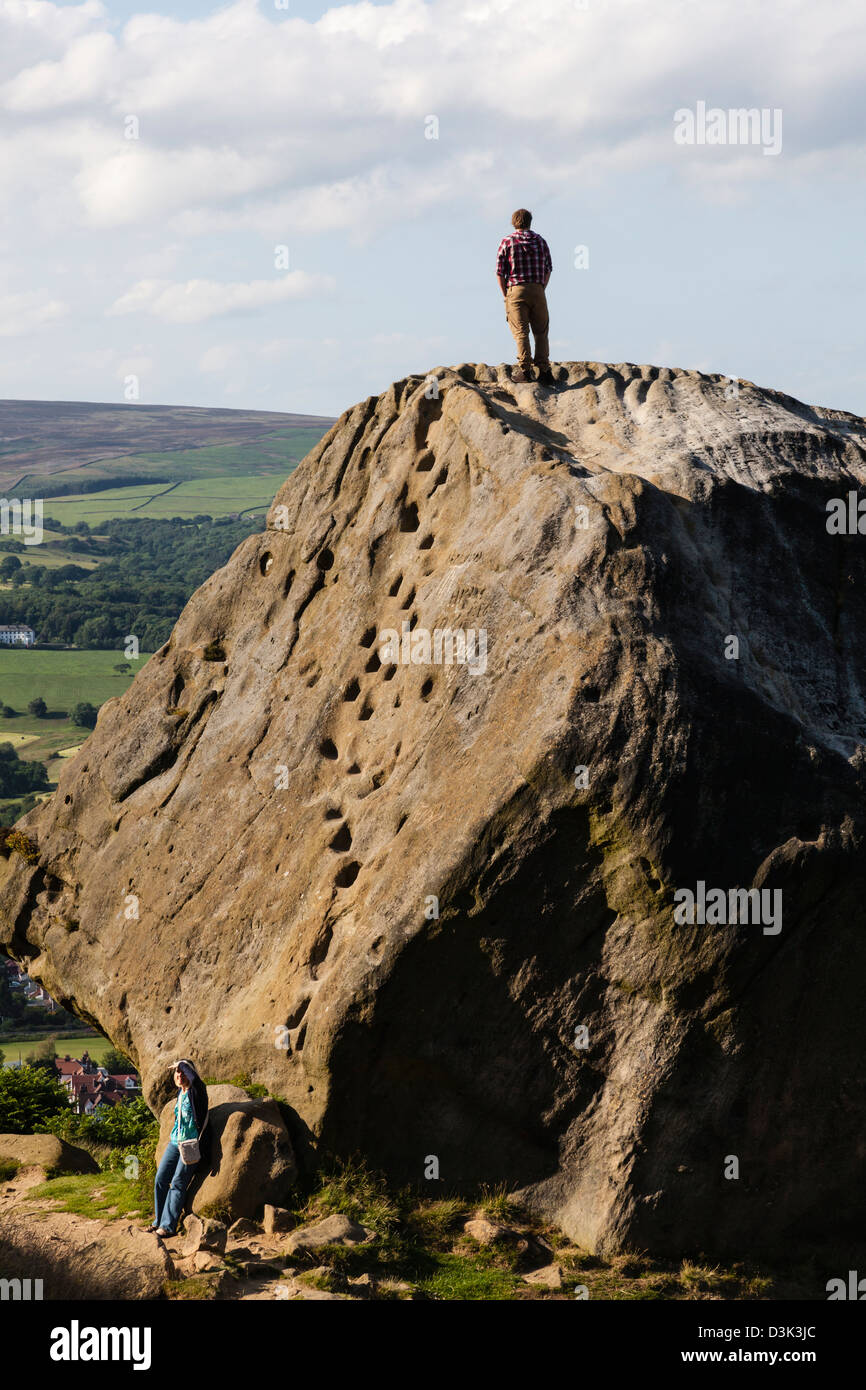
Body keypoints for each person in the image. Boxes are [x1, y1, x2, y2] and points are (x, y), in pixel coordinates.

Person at [148, 1059, 209, 1238]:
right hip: (175, 1142)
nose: (179, 1075)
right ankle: (158, 1220)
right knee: (160, 1179)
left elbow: (195, 1079)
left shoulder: (197, 1092)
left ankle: (168, 1226)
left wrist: (182, 1064)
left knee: (177, 1183)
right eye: (177, 1072)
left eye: (182, 1072)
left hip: (190, 1143)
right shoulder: (180, 1093)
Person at [496, 209, 554, 385]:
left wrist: (506, 294)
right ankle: (544, 371)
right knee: (541, 331)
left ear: (514, 222)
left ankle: (526, 371)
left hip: (516, 289)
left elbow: (500, 272)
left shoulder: (507, 241)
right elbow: (549, 268)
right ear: (530, 221)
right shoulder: (540, 241)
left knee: (521, 332)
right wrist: (541, 286)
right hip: (537, 289)